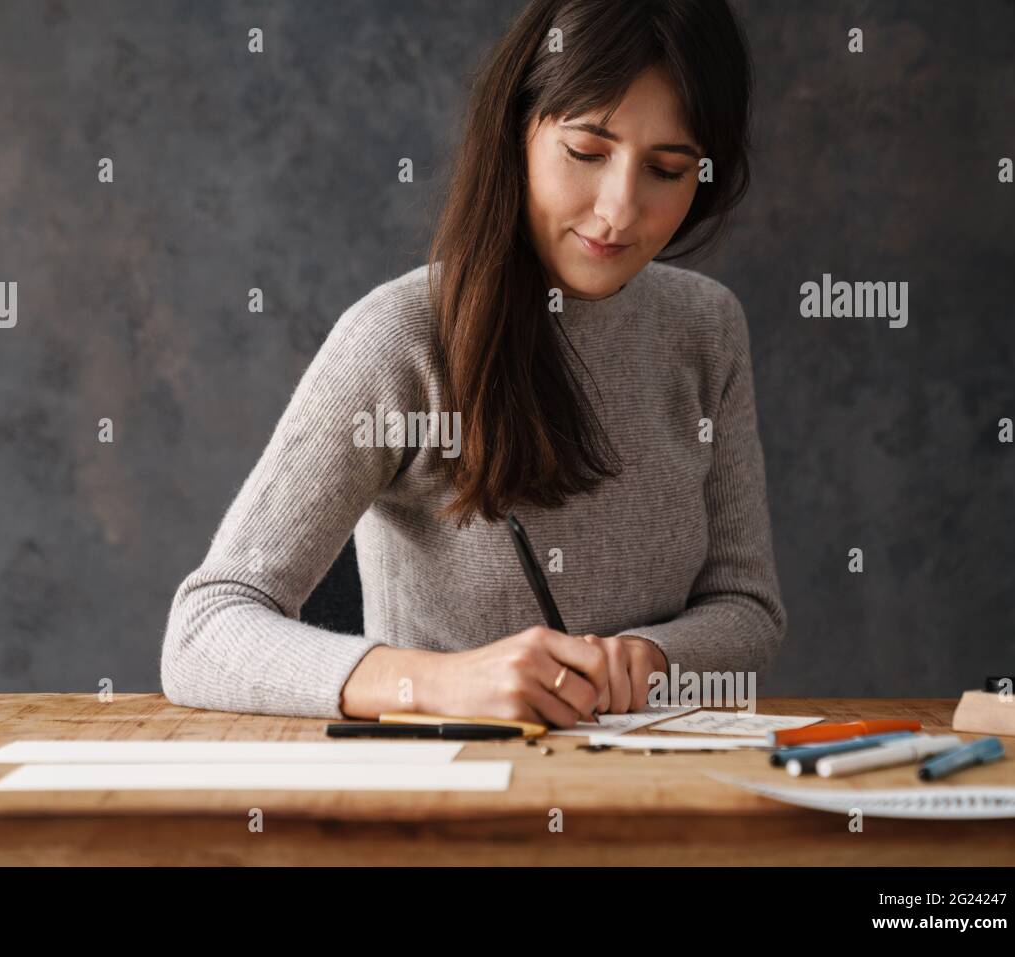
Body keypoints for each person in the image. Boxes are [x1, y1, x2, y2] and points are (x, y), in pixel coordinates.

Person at [161, 0, 786, 728]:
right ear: (516, 129)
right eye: (586, 153)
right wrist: (436, 683)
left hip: (653, 796)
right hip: (447, 800)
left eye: (667, 169)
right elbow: (203, 630)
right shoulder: (398, 337)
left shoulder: (706, 328)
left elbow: (748, 610)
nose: (619, 210)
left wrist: (652, 660)